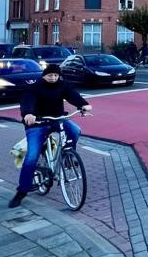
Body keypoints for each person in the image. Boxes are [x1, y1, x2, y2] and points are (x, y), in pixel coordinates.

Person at [9, 64, 91, 208]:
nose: (53, 78)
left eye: (56, 75)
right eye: (50, 75)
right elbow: (27, 99)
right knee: (31, 157)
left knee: (75, 130)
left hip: (56, 119)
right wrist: (28, 113)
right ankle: (22, 191)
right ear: (44, 75)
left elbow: (72, 95)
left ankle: (68, 156)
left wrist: (83, 105)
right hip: (37, 123)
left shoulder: (62, 85)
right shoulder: (35, 86)